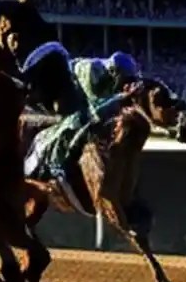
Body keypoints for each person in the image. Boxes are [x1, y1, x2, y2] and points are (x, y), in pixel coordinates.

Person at [27, 51, 143, 184]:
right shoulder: (90, 71)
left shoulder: (109, 77)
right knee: (78, 122)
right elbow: (94, 113)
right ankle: (50, 163)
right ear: (115, 73)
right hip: (55, 92)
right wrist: (121, 97)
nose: (126, 85)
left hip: (76, 96)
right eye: (125, 81)